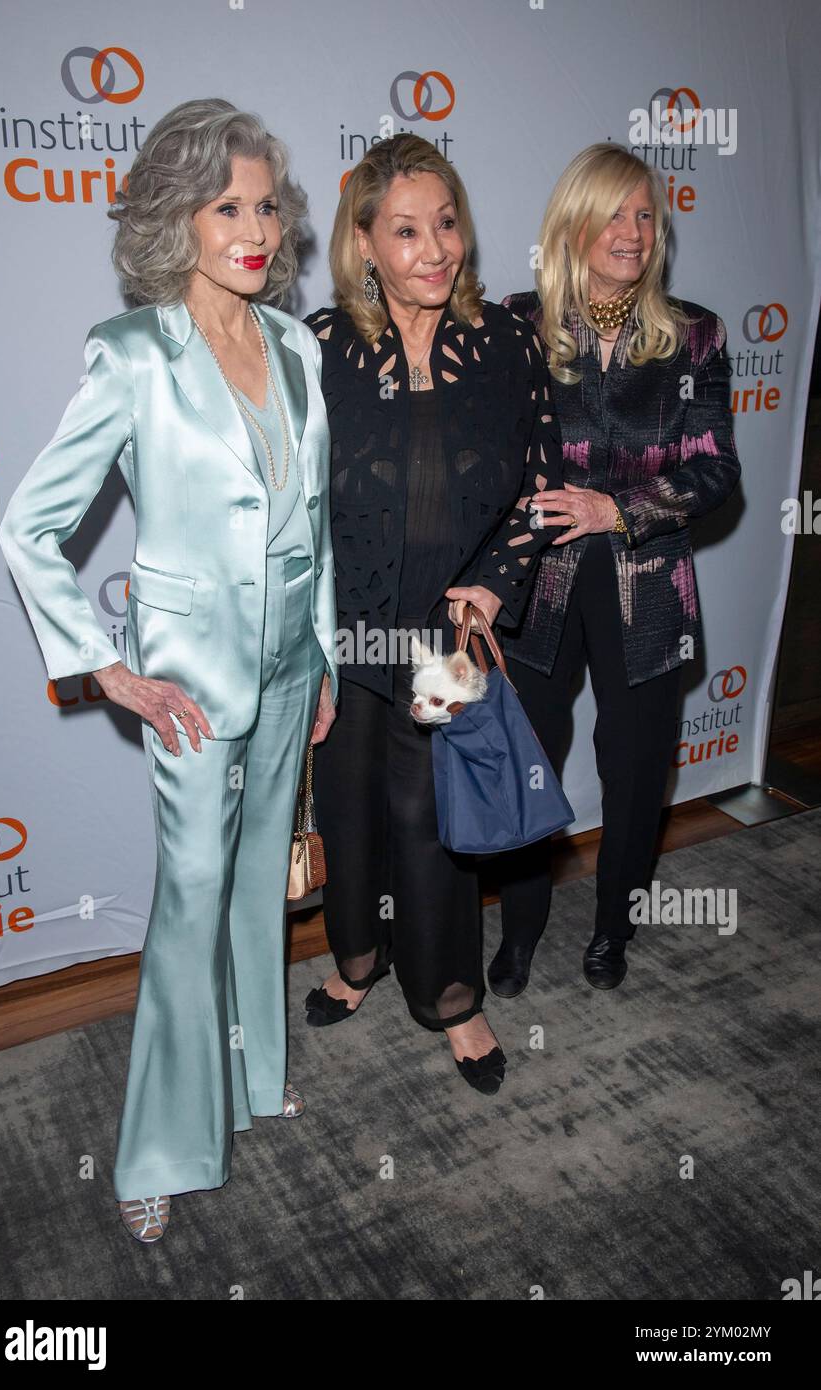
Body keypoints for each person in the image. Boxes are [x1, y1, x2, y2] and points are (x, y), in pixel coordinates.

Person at [0, 98, 338, 1241]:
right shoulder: (133, 353)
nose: (254, 227)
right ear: (174, 219)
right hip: (189, 680)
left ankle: (246, 1079)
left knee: (256, 892)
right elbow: (27, 527)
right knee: (189, 903)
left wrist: (327, 648)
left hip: (291, 663)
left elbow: (314, 523)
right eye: (224, 206)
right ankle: (154, 1145)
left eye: (265, 204)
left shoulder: (294, 344)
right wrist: (107, 671)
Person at [301, 134, 565, 1094]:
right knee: (350, 807)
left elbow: (540, 486)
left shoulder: (505, 343)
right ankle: (357, 961)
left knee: (434, 822)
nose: (433, 248)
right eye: (405, 230)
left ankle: (453, 996)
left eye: (446, 223)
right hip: (345, 624)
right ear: (364, 242)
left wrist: (497, 579)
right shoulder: (320, 346)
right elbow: (288, 503)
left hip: (443, 633)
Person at [490, 142, 741, 996]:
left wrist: (619, 509)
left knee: (636, 774)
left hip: (649, 583)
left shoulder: (695, 335)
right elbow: (489, 459)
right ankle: (519, 931)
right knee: (527, 761)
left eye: (645, 215)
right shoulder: (517, 323)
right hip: (542, 580)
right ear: (575, 222)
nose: (632, 232)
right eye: (614, 214)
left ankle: (611, 932)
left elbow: (715, 471)